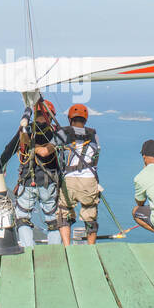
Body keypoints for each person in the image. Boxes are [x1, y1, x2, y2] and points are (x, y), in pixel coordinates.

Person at [0, 98, 62, 247]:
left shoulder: (25, 131)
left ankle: (29, 250)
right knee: (53, 220)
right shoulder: (56, 132)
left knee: (23, 218)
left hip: (27, 182)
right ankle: (54, 252)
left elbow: (10, 149)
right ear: (51, 114)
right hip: (49, 182)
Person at [56, 103, 102, 245]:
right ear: (85, 119)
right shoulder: (94, 135)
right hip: (89, 179)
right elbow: (96, 158)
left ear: (70, 118)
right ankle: (91, 248)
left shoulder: (63, 133)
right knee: (90, 213)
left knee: (64, 212)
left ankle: (67, 247)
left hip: (69, 180)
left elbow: (52, 149)